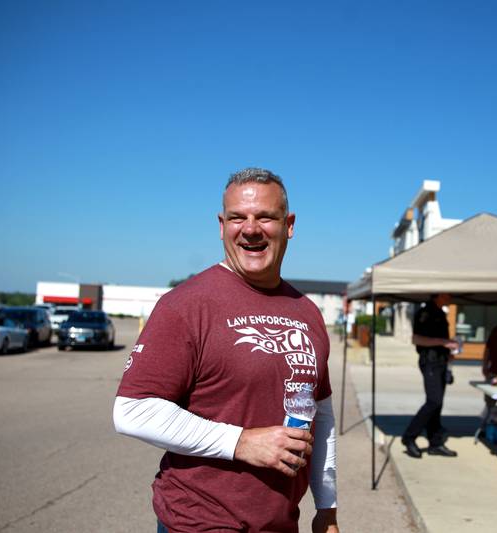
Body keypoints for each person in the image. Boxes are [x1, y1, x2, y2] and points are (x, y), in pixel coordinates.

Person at [113, 168, 338, 533]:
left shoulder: (308, 312)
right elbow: (132, 410)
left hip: (281, 523)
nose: (250, 229)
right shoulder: (186, 304)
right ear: (222, 225)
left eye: (265, 216)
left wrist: (327, 507)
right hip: (198, 522)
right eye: (237, 217)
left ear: (289, 224)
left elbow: (322, 416)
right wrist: (240, 441)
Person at [401, 294, 459, 459]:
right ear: (439, 295)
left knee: (438, 404)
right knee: (434, 401)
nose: (450, 297)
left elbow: (440, 340)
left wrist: (448, 351)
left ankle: (435, 443)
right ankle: (409, 437)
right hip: (430, 362)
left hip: (440, 361)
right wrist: (443, 343)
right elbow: (417, 339)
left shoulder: (441, 313)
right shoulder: (425, 312)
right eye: (447, 294)